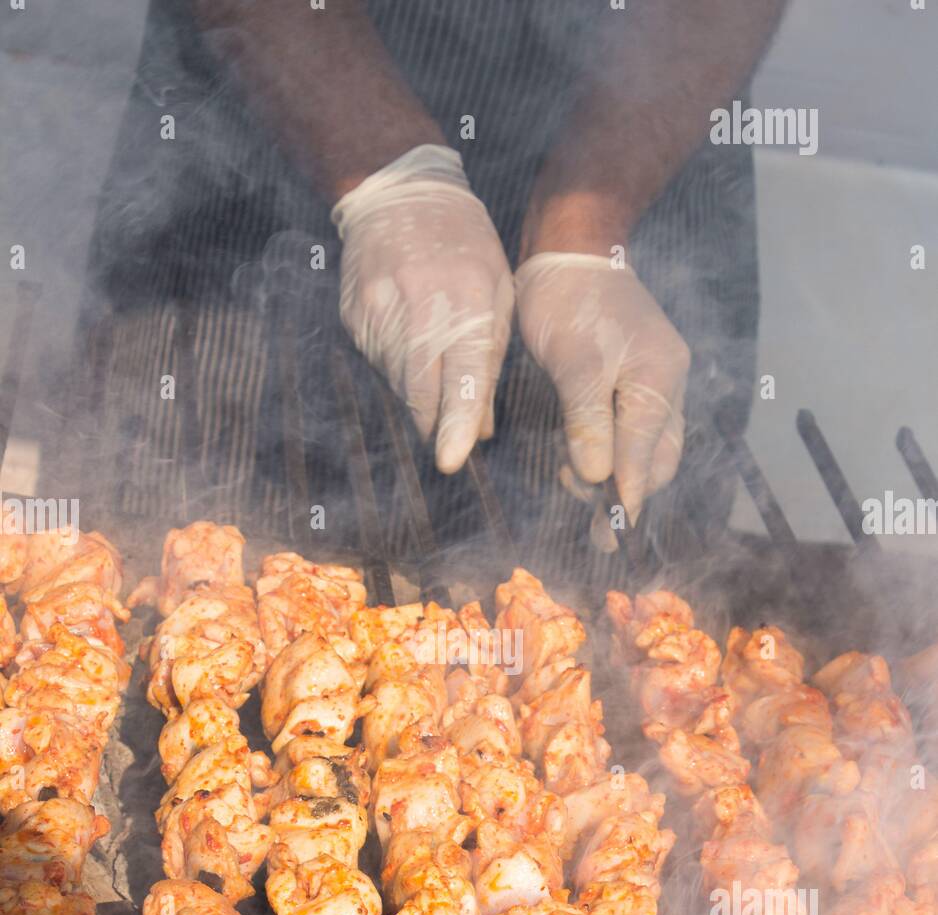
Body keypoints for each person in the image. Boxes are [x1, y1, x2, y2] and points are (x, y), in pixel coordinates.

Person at [82, 0, 786, 554]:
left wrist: (585, 238)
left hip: (647, 171)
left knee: (619, 628)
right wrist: (392, 178)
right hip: (257, 168)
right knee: (153, 576)